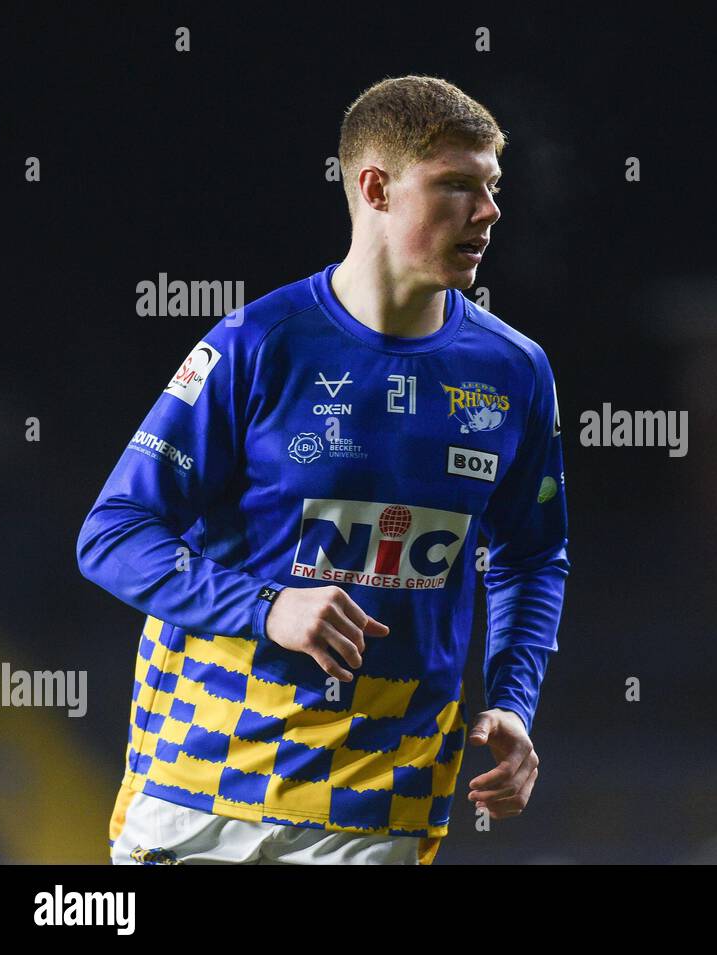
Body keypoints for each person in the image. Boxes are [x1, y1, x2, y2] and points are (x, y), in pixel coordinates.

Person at [76, 75, 569, 865]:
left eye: (492, 188)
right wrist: (268, 606)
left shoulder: (514, 371)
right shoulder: (256, 343)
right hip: (200, 785)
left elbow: (532, 553)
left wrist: (513, 700)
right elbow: (113, 533)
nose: (488, 211)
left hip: (381, 803)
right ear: (374, 188)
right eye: (456, 186)